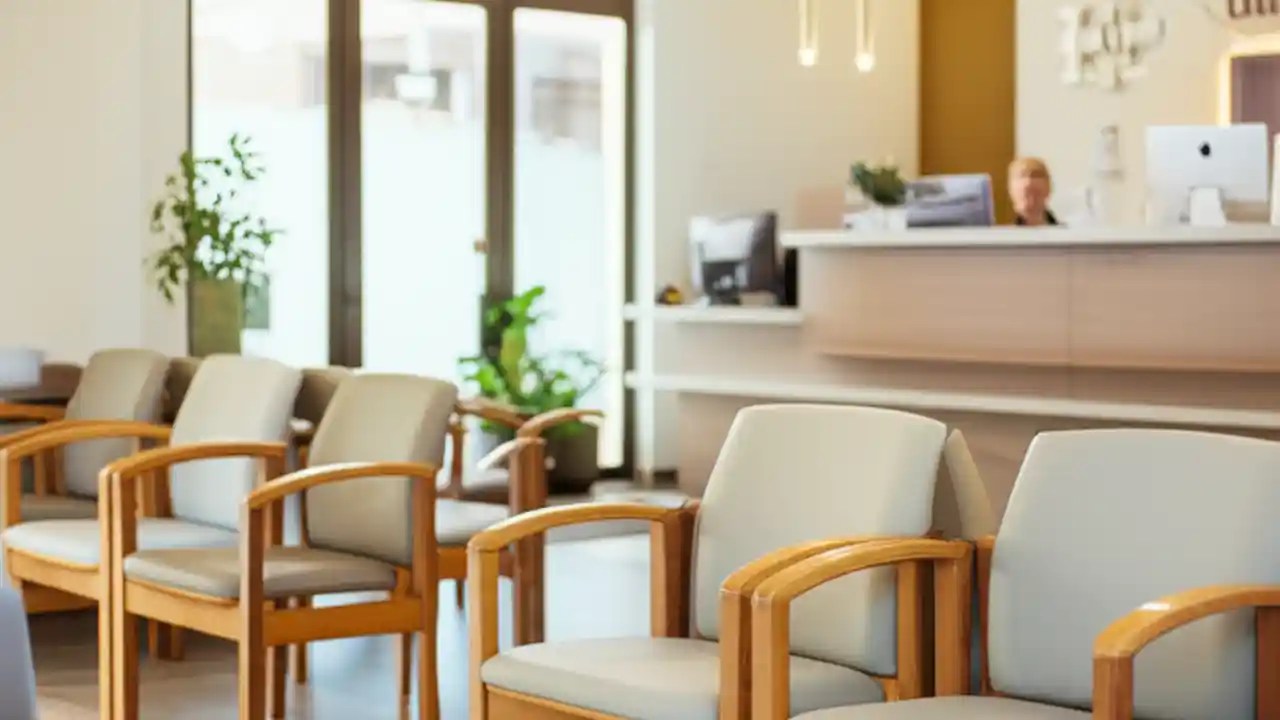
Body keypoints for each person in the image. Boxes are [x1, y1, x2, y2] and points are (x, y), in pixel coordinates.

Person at [1009, 157, 1060, 226]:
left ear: (1048, 188)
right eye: (1022, 175)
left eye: (1035, 175)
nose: (1028, 182)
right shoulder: (998, 234)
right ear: (1011, 190)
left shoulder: (1069, 234)